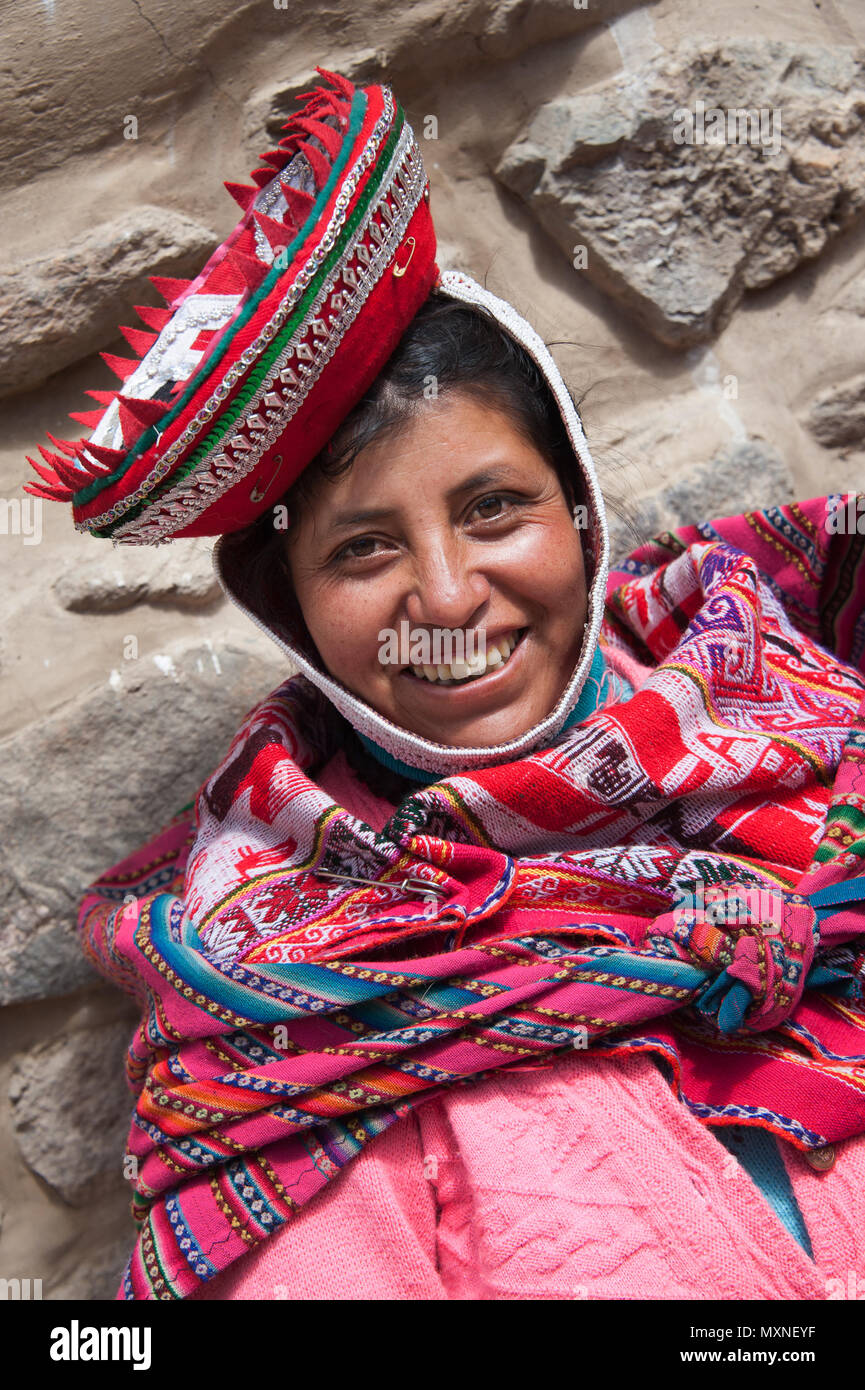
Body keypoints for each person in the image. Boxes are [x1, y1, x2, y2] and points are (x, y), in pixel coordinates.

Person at [26, 70, 865, 1302]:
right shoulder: (273, 999)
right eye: (363, 548)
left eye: (494, 509)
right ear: (291, 602)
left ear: (582, 516)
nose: (449, 596)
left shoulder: (809, 718)